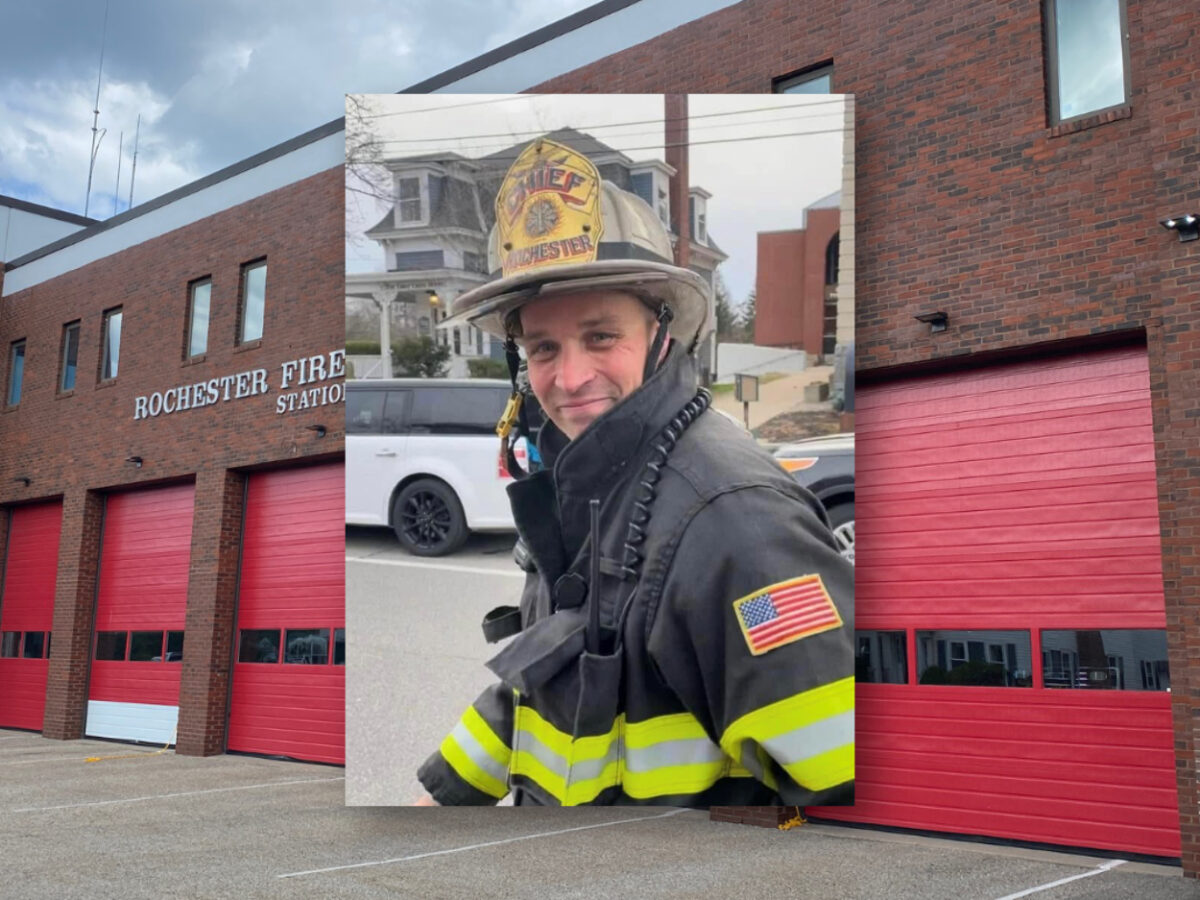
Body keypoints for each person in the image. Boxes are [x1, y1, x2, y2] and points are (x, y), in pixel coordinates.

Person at [415, 138, 853, 807]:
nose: (569, 378)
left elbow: (841, 793)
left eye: (600, 336)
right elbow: (547, 676)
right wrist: (442, 794)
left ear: (660, 335)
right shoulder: (587, 480)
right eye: (543, 348)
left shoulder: (735, 519)